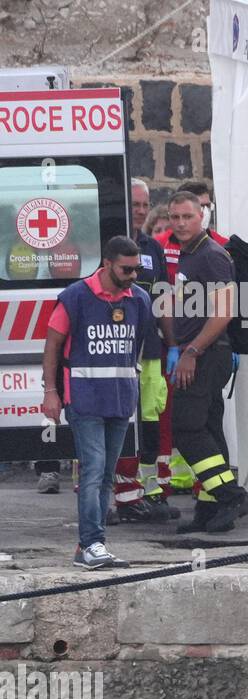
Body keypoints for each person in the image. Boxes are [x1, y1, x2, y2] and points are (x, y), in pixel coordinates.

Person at [39, 236, 158, 569]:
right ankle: (91, 544)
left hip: (120, 399)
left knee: (106, 474)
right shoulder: (75, 297)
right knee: (93, 472)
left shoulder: (140, 299)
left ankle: (92, 545)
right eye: (127, 268)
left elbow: (135, 348)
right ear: (107, 264)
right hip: (85, 398)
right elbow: (52, 346)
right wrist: (51, 392)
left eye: (137, 268)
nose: (134, 274)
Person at [165, 191, 248, 533]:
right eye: (175, 217)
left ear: (201, 215)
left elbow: (225, 310)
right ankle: (211, 508)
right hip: (200, 353)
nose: (181, 223)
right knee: (209, 429)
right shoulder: (189, 255)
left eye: (187, 216)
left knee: (187, 430)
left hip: (205, 354)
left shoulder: (211, 256)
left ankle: (232, 496)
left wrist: (191, 352)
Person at [109, 178, 175, 524]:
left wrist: (172, 344)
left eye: (144, 205)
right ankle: (124, 495)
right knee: (121, 422)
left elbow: (164, 299)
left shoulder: (153, 249)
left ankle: (152, 495)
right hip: (115, 350)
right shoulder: (109, 245)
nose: (139, 210)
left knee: (151, 422)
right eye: (134, 203)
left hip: (150, 350)